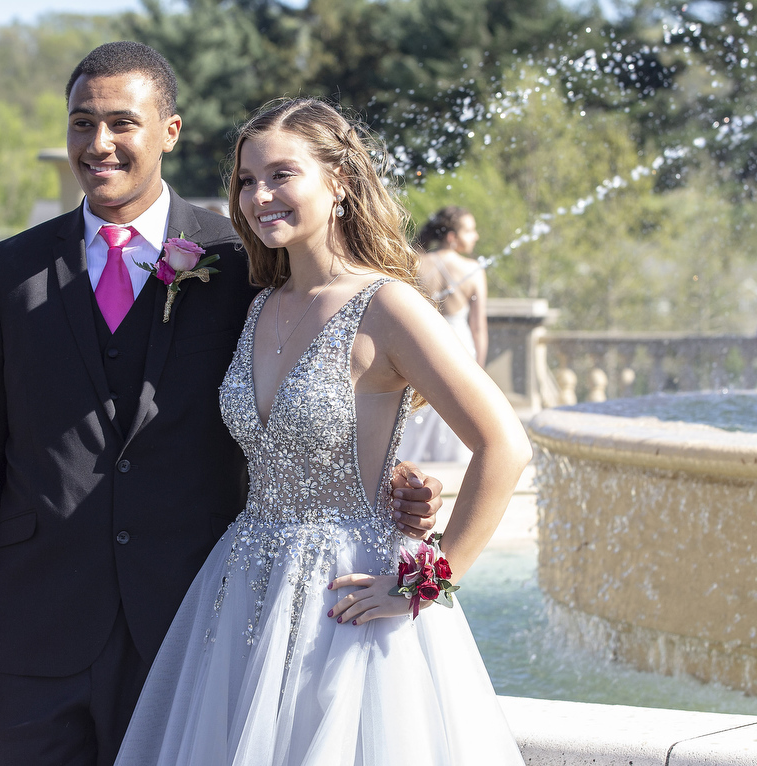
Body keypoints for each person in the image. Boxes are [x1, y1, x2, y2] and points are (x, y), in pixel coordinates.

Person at [0, 41, 443, 766]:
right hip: (32, 636)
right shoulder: (10, 268)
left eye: (120, 123)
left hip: (191, 629)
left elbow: (306, 402)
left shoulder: (243, 259)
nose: (98, 144)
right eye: (81, 123)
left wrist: (396, 483)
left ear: (169, 130)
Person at [113, 99, 532, 764]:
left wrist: (430, 580)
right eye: (247, 181)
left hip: (351, 601)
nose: (259, 196)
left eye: (282, 174)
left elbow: (505, 445)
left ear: (337, 180)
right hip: (243, 591)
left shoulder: (389, 305)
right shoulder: (257, 307)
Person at [399, 205, 488, 463]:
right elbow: (478, 326)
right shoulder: (473, 269)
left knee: (419, 408)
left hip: (422, 343)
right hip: (459, 344)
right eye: (470, 231)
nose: (476, 236)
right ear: (452, 236)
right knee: (455, 411)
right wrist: (479, 368)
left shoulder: (415, 261)